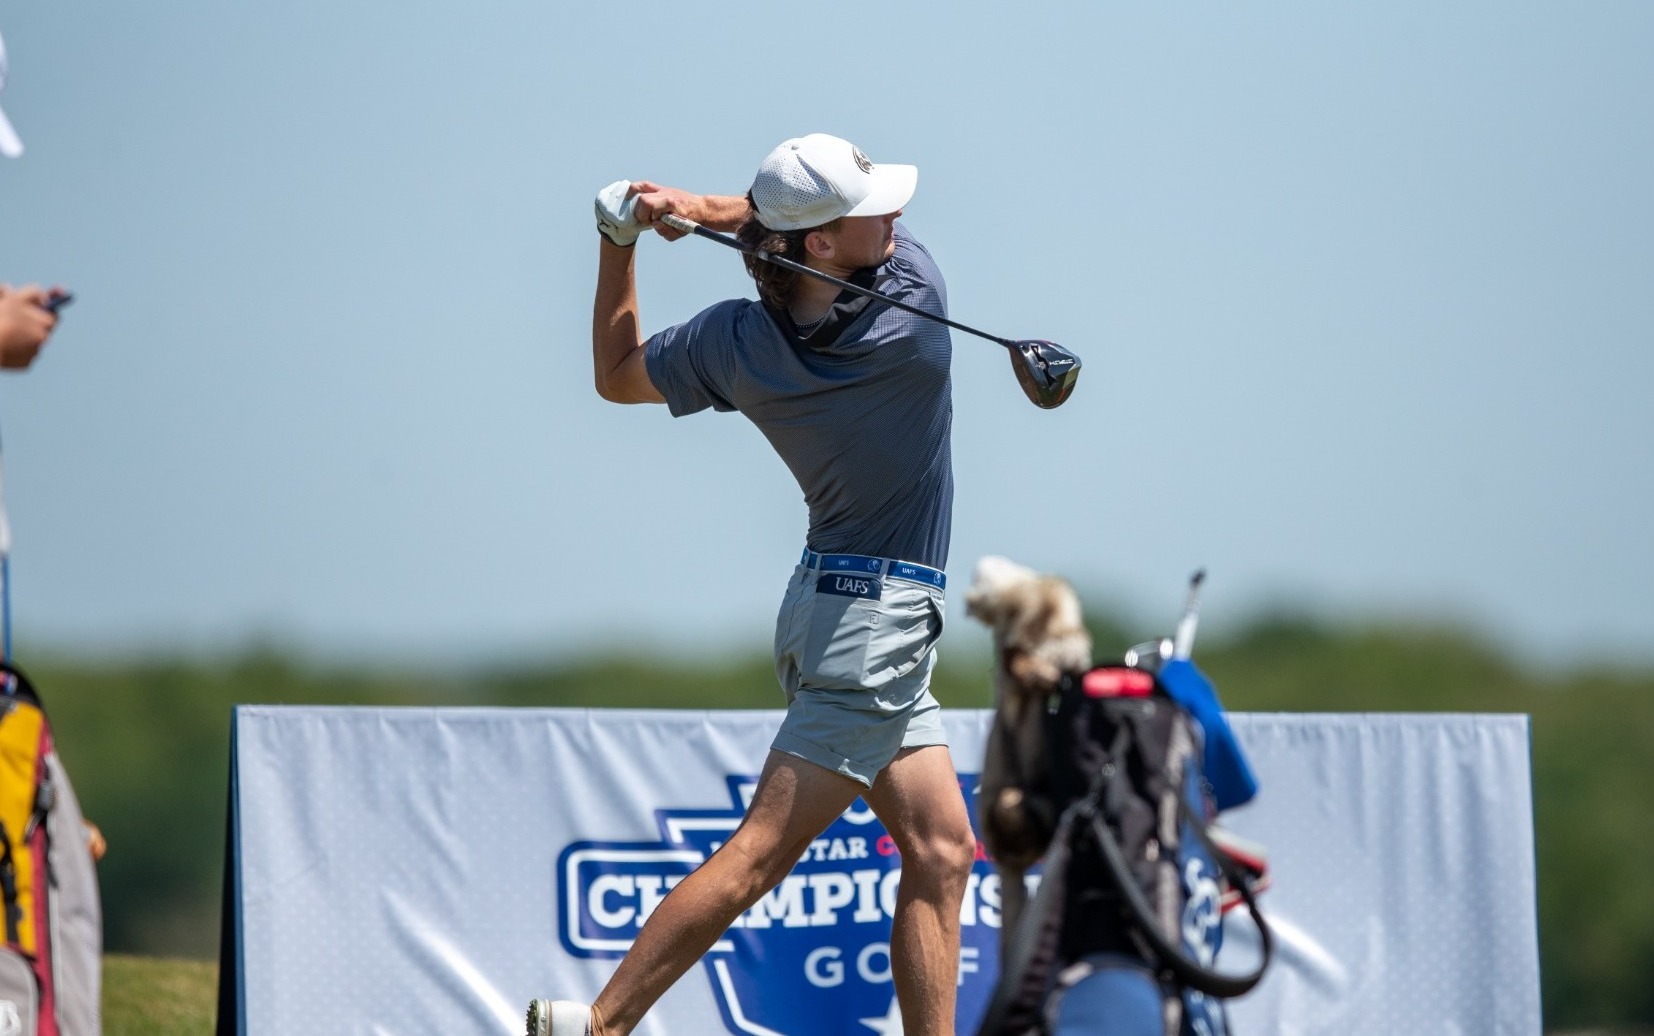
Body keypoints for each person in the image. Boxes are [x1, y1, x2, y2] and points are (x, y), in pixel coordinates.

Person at [526, 134, 978, 1036]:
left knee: (940, 847)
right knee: (761, 854)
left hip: (828, 609)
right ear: (819, 244)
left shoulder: (738, 339)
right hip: (875, 625)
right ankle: (601, 1025)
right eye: (869, 208)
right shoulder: (912, 304)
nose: (892, 215)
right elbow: (791, 228)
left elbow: (616, 377)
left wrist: (623, 238)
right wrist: (704, 207)